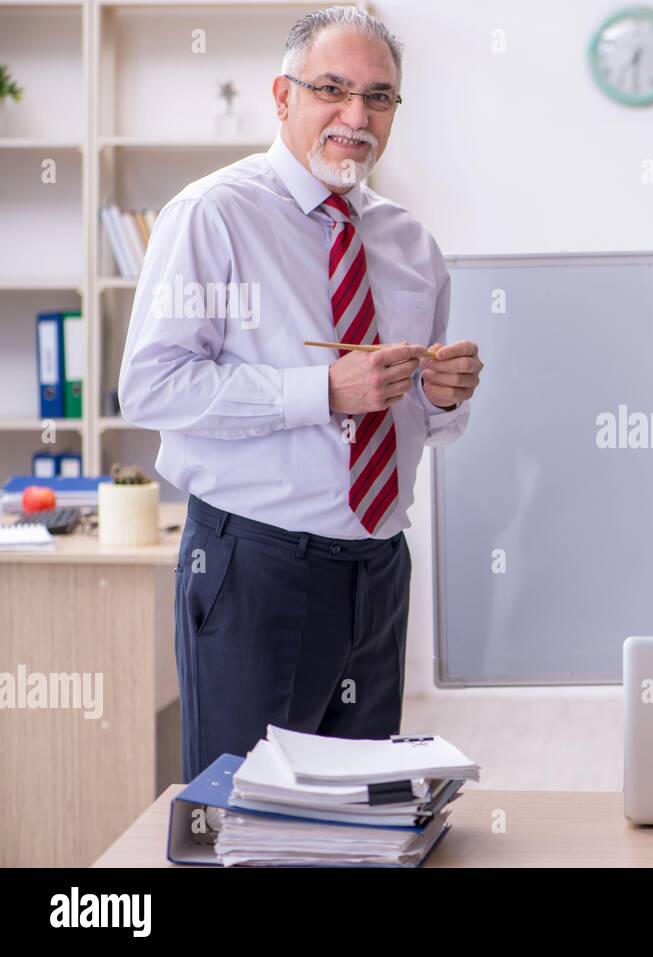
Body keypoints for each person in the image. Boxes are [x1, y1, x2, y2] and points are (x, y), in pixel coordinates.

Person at [118, 7, 482, 781]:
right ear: (282, 98)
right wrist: (320, 390)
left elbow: (420, 423)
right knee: (246, 815)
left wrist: (443, 398)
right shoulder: (213, 214)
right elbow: (149, 385)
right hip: (256, 565)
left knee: (354, 821)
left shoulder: (412, 245)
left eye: (379, 97)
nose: (357, 116)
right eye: (333, 89)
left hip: (379, 570)